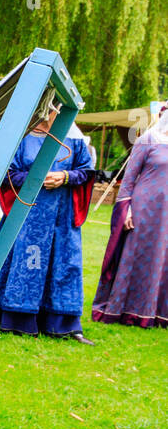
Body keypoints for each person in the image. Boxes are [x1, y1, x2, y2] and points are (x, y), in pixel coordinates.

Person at [0, 106, 95, 343]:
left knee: (63, 266)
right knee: (28, 264)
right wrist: (38, 178)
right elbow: (6, 173)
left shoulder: (74, 139)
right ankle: (17, 318)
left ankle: (62, 324)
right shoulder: (22, 136)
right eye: (49, 107)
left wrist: (64, 177)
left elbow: (86, 171)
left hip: (61, 220)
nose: (51, 112)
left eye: (57, 108)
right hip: (27, 218)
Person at [92, 105, 168, 329]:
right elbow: (129, 178)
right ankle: (126, 310)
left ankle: (154, 313)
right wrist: (127, 208)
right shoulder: (149, 139)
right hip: (144, 209)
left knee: (161, 261)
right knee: (137, 258)